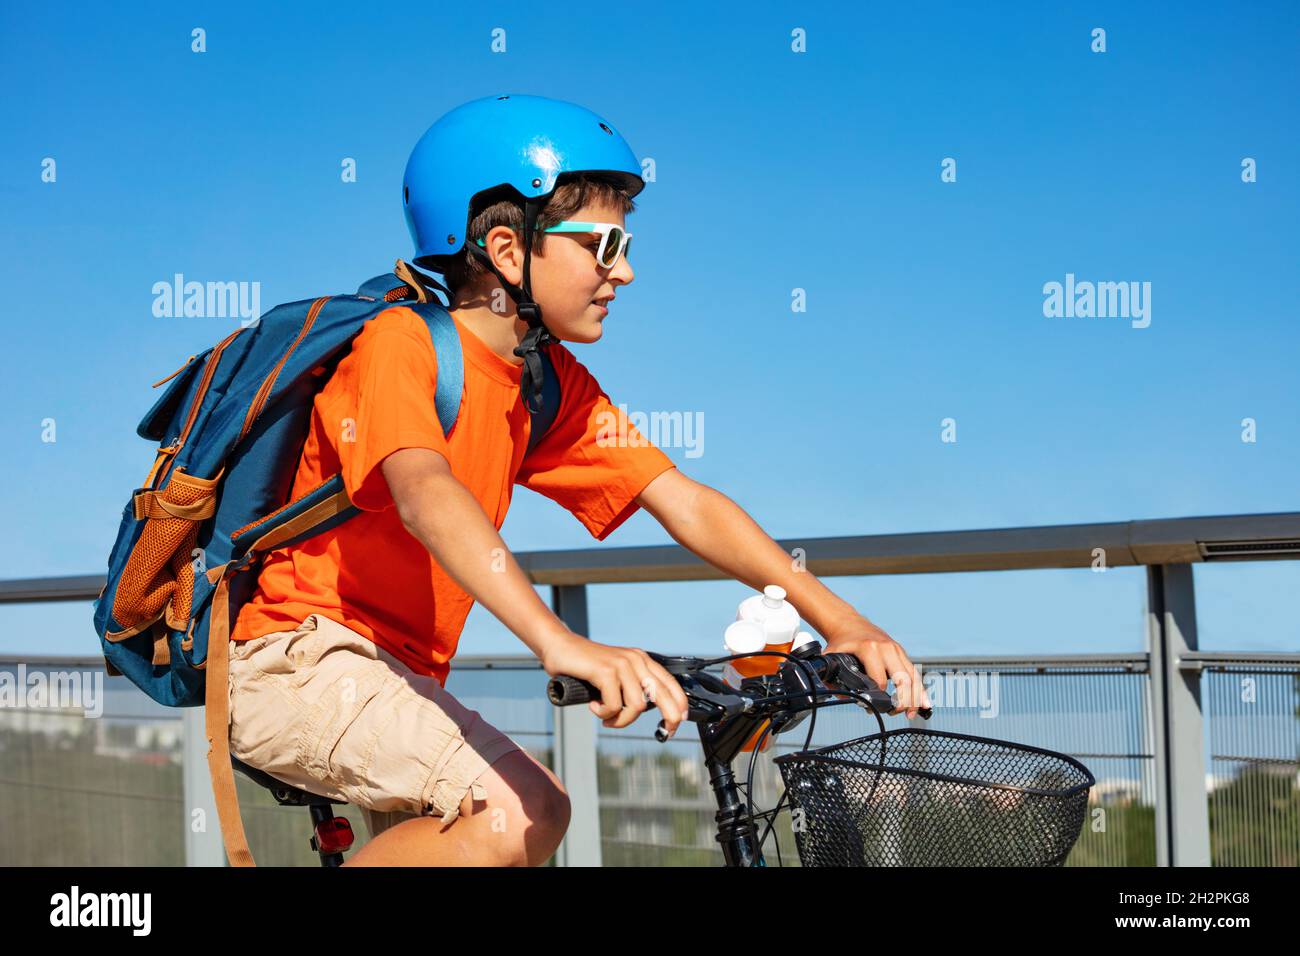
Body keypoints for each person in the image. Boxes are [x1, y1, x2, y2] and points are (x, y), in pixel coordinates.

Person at [226, 93, 930, 867]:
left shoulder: (544, 382)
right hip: (297, 662)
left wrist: (841, 620)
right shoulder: (400, 344)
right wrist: (559, 643)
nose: (624, 271)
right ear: (504, 248)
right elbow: (425, 492)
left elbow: (682, 500)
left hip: (398, 675)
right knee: (523, 813)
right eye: (604, 244)